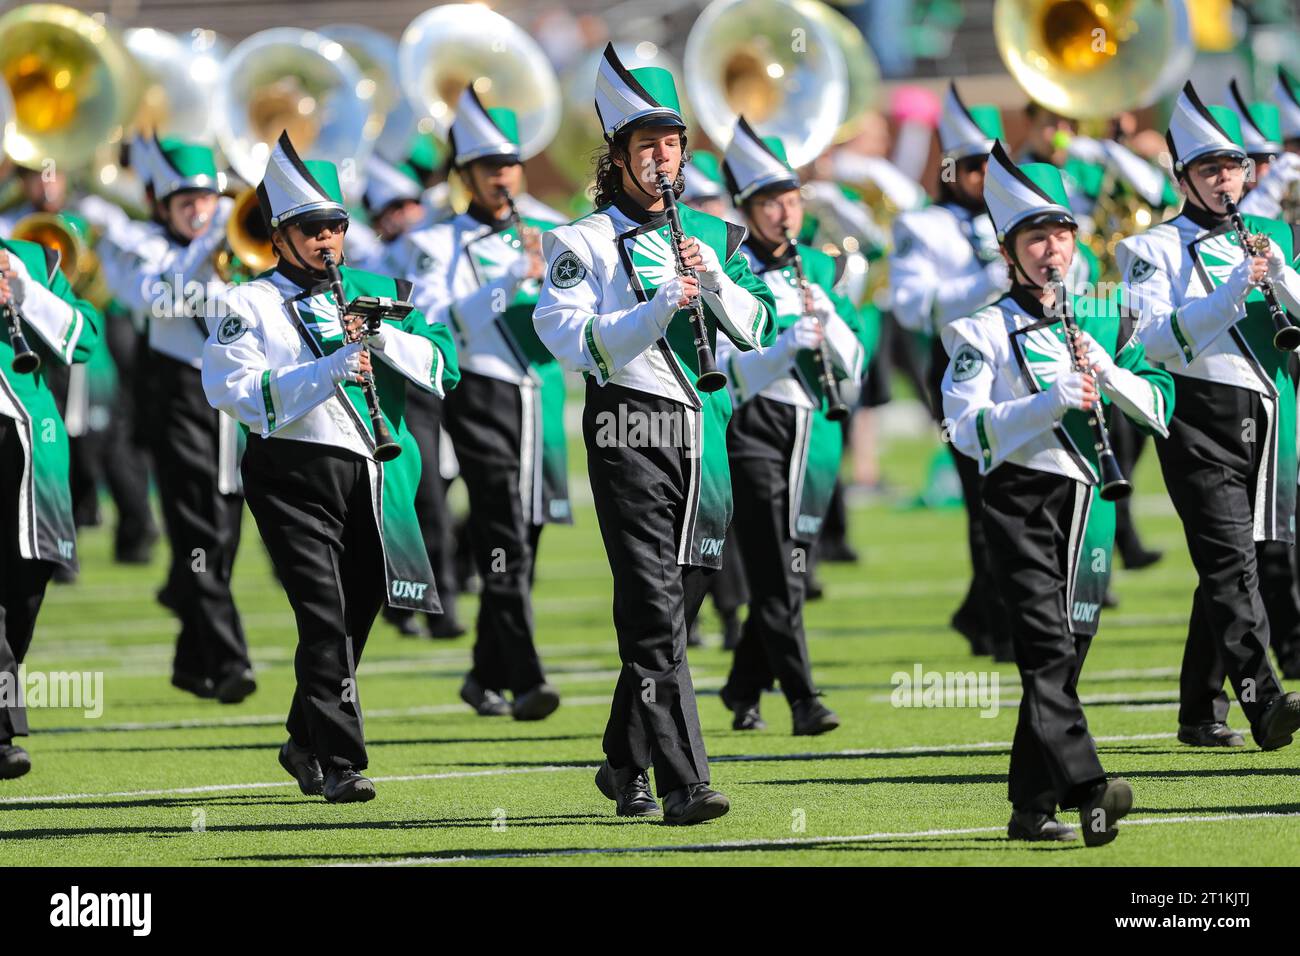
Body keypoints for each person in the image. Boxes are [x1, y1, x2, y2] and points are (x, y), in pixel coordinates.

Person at [534, 45, 776, 823]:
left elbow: (758, 330)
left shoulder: (713, 232)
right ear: (619, 157)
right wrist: (655, 309)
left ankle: (621, 759)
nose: (662, 158)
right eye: (646, 145)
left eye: (671, 143)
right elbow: (565, 336)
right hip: (627, 428)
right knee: (649, 607)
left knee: (674, 609)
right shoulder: (582, 242)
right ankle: (685, 783)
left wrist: (713, 286)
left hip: (703, 433)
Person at [202, 132, 460, 802]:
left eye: (334, 227)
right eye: (310, 229)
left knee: (360, 607)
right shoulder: (246, 303)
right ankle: (342, 762)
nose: (326, 241)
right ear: (280, 235)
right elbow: (236, 393)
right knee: (322, 612)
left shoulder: (382, 290)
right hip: (289, 474)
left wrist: (380, 337)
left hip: (371, 472)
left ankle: (301, 737)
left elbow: (444, 369)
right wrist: (324, 371)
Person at [944, 142, 1174, 844]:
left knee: (1065, 658)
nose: (1052, 251)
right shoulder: (977, 329)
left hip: (1092, 507)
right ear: (1009, 250)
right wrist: (1046, 404)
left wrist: (1108, 372)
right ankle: (1089, 785)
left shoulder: (1104, 318)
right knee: (1046, 653)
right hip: (1021, 503)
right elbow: (963, 431)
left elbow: (1159, 407)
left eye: (1061, 236)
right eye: (1036, 238)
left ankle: (1030, 808)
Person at [1117, 83, 1300, 750]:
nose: (1224, 181)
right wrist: (1228, 295)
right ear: (1182, 177)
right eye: (1208, 170)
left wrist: (1281, 278)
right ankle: (1264, 701)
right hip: (1196, 417)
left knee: (1236, 563)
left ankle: (1200, 709)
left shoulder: (1276, 234)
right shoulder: (1150, 249)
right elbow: (1148, 342)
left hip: (1272, 417)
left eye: (1232, 168)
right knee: (1231, 569)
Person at [394, 88, 569, 718]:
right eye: (489, 167)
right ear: (465, 174)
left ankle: (481, 675)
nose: (504, 177)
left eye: (511, 164)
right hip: (482, 395)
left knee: (528, 535)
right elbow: (436, 322)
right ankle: (526, 678)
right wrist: (503, 284)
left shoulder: (552, 226)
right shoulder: (438, 243)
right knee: (505, 538)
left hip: (541, 396)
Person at [713, 118, 874, 735]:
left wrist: (828, 321)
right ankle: (805, 698)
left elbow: (855, 362)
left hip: (816, 431)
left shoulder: (824, 270)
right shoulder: (726, 266)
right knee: (777, 568)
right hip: (752, 426)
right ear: (747, 208)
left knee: (797, 567)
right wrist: (782, 349)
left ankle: (741, 685)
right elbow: (723, 371)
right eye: (768, 203)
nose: (784, 213)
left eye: (790, 199)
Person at [109, 135, 255, 703]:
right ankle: (229, 660)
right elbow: (157, 300)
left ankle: (191, 659)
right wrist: (209, 250)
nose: (201, 210)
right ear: (162, 206)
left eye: (208, 198)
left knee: (222, 540)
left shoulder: (235, 242)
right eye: (186, 202)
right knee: (200, 534)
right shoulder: (140, 245)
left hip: (233, 404)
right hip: (177, 402)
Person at [891, 83, 1010, 659]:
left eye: (992, 166)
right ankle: (999, 622)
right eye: (972, 167)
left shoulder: (1020, 218)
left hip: (1023, 360)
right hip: (959, 366)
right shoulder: (925, 226)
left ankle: (982, 611)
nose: (984, 179)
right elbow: (912, 306)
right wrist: (982, 286)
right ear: (951, 168)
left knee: (1019, 493)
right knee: (984, 494)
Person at [0, 224, 102, 777]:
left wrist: (23, 293)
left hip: (31, 444)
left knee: (24, 592)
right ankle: (1, 733)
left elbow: (85, 340)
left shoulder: (32, 260)